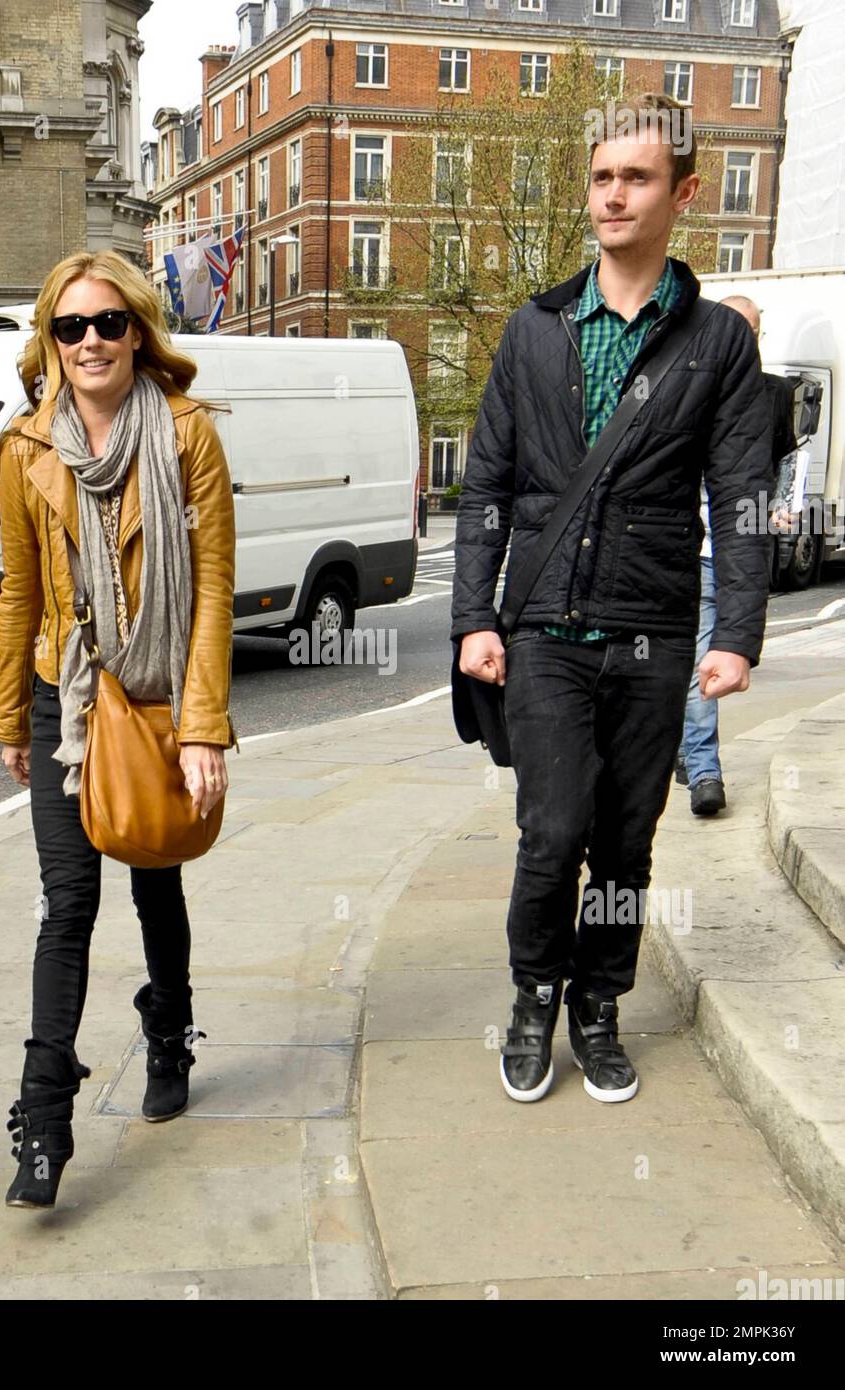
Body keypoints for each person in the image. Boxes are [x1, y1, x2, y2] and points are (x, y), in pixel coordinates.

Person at [451, 93, 772, 1107]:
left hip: (653, 626)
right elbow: (488, 485)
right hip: (542, 624)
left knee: (626, 839)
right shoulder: (535, 327)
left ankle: (599, 1001)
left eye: (636, 178)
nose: (613, 196)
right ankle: (531, 992)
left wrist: (738, 632)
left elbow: (742, 493)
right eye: (601, 177)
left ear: (682, 192)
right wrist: (471, 616)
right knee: (550, 831)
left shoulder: (716, 342)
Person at [0, 250, 236, 1208]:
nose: (89, 342)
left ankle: (168, 1029)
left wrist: (203, 724)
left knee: (155, 870)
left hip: (161, 688)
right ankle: (43, 1125)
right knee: (68, 904)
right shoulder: (27, 448)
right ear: (50, 340)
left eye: (107, 324)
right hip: (69, 696)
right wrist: (14, 713)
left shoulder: (186, 437)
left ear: (137, 332)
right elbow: (19, 588)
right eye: (69, 327)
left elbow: (210, 585)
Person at [675, 294, 797, 815]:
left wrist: (782, 506)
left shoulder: (774, 393)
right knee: (701, 660)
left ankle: (687, 751)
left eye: (753, 330)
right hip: (694, 549)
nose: (745, 339)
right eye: (737, 327)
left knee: (714, 658)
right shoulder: (685, 385)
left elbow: (789, 457)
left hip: (742, 547)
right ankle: (704, 770)